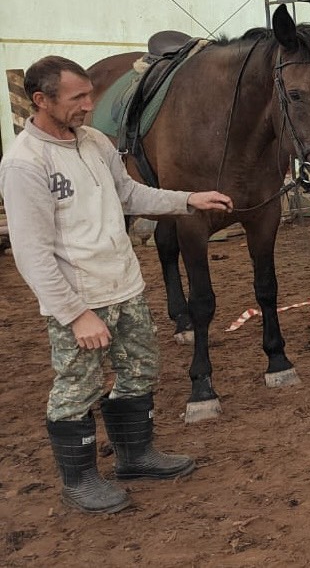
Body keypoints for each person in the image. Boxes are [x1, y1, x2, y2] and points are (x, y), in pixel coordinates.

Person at [0, 56, 233, 514]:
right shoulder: (25, 163)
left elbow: (130, 194)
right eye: (78, 98)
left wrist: (186, 199)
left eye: (89, 94)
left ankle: (136, 456)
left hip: (124, 287)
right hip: (80, 301)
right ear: (41, 100)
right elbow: (31, 252)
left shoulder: (94, 143)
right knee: (76, 390)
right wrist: (75, 313)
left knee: (140, 371)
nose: (90, 105)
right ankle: (81, 480)